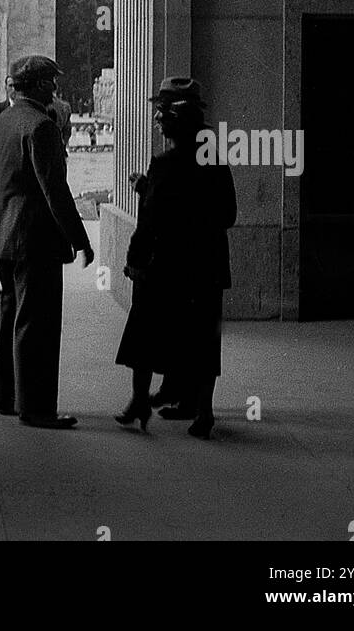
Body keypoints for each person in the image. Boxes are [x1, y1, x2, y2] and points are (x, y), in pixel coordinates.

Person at [114, 77, 237, 439]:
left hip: (165, 264)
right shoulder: (214, 156)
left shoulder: (165, 164)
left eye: (161, 113)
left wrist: (136, 260)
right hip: (207, 264)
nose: (156, 119)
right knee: (202, 336)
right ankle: (203, 412)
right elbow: (226, 213)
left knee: (144, 332)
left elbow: (151, 221)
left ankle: (139, 402)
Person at [0, 55, 93, 429]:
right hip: (34, 238)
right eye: (52, 83)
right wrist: (80, 239)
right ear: (42, 86)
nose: (56, 89)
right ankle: (37, 407)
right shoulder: (42, 127)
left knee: (11, 313)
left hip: (2, 235)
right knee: (39, 322)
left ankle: (5, 398)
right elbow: (55, 191)